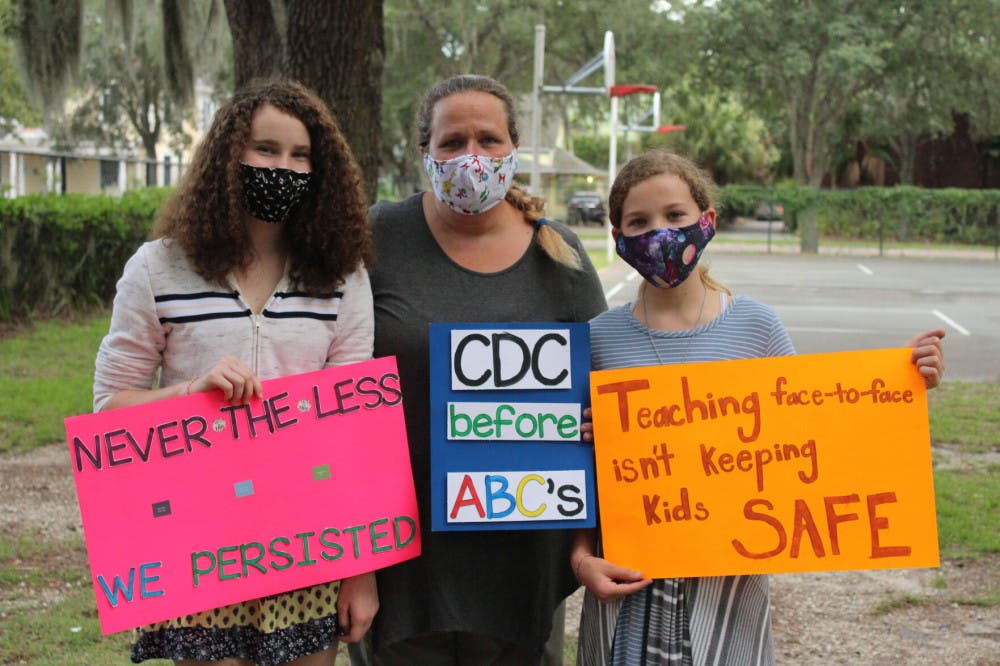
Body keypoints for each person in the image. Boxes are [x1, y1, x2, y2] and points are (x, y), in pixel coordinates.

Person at [572, 149, 946, 666]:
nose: (660, 233)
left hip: (729, 590)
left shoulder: (756, 327)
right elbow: (577, 471)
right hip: (626, 591)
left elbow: (809, 437)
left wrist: (897, 384)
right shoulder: (597, 339)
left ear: (707, 221)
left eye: (675, 215)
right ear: (618, 237)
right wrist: (581, 558)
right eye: (640, 222)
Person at [93, 79, 379, 666]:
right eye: (266, 149)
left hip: (309, 542)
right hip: (202, 545)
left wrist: (361, 571)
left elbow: (355, 430)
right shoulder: (157, 268)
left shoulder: (342, 275)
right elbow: (108, 411)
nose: (283, 167)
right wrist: (188, 393)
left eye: (300, 155)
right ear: (228, 157)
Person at [360, 74, 608, 665]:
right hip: (402, 561)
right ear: (425, 151)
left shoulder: (560, 253)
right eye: (452, 142)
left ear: (513, 148)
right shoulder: (377, 236)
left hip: (523, 560)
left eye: (488, 139)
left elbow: (607, 379)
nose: (471, 157)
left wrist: (607, 423)